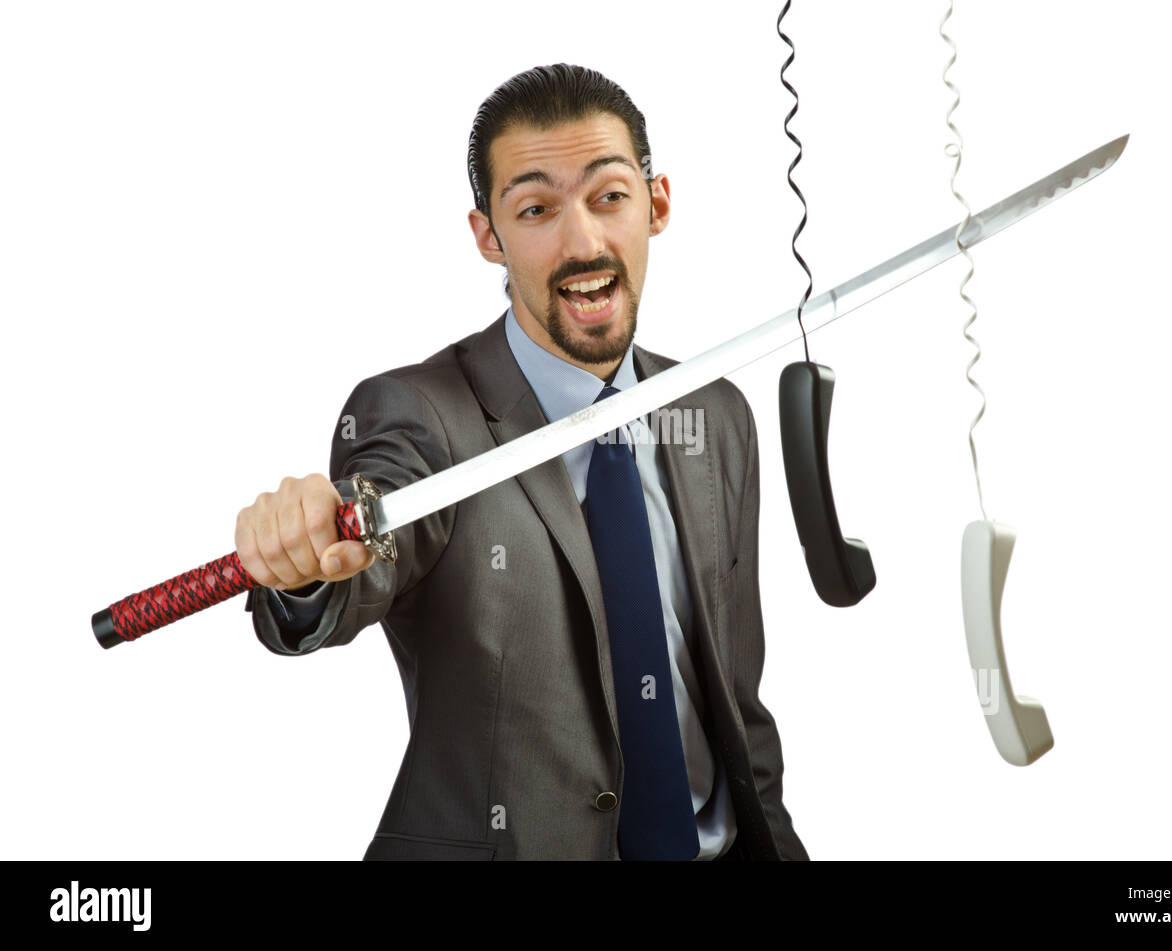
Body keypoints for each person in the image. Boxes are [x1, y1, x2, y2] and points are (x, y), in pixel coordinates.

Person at [239, 63, 809, 861]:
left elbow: (736, 707)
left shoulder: (712, 416)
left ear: (658, 205)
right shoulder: (421, 417)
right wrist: (304, 562)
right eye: (536, 209)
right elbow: (364, 541)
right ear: (488, 236)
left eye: (610, 196)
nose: (582, 242)